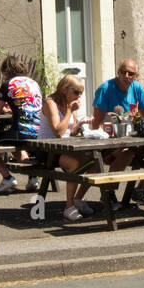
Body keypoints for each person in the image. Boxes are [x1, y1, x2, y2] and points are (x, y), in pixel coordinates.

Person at [92, 59, 144, 206]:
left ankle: (140, 190)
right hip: (109, 141)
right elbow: (96, 122)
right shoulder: (105, 89)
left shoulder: (137, 88)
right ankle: (109, 193)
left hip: (132, 139)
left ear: (136, 76)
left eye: (130, 73)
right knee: (127, 152)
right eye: (123, 72)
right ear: (118, 72)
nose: (126, 76)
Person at [0, 54, 44, 195]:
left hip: (21, 132)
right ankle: (33, 178)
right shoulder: (33, 83)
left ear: (6, 71)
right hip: (39, 131)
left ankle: (7, 178)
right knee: (16, 146)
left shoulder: (8, 85)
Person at [40, 76, 94, 222]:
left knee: (94, 162)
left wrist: (81, 123)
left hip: (65, 148)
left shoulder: (70, 103)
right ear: (64, 90)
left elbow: (71, 131)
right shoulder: (50, 103)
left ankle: (78, 199)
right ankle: (68, 207)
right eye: (76, 92)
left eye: (81, 93)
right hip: (48, 150)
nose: (79, 96)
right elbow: (58, 131)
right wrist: (70, 111)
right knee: (75, 163)